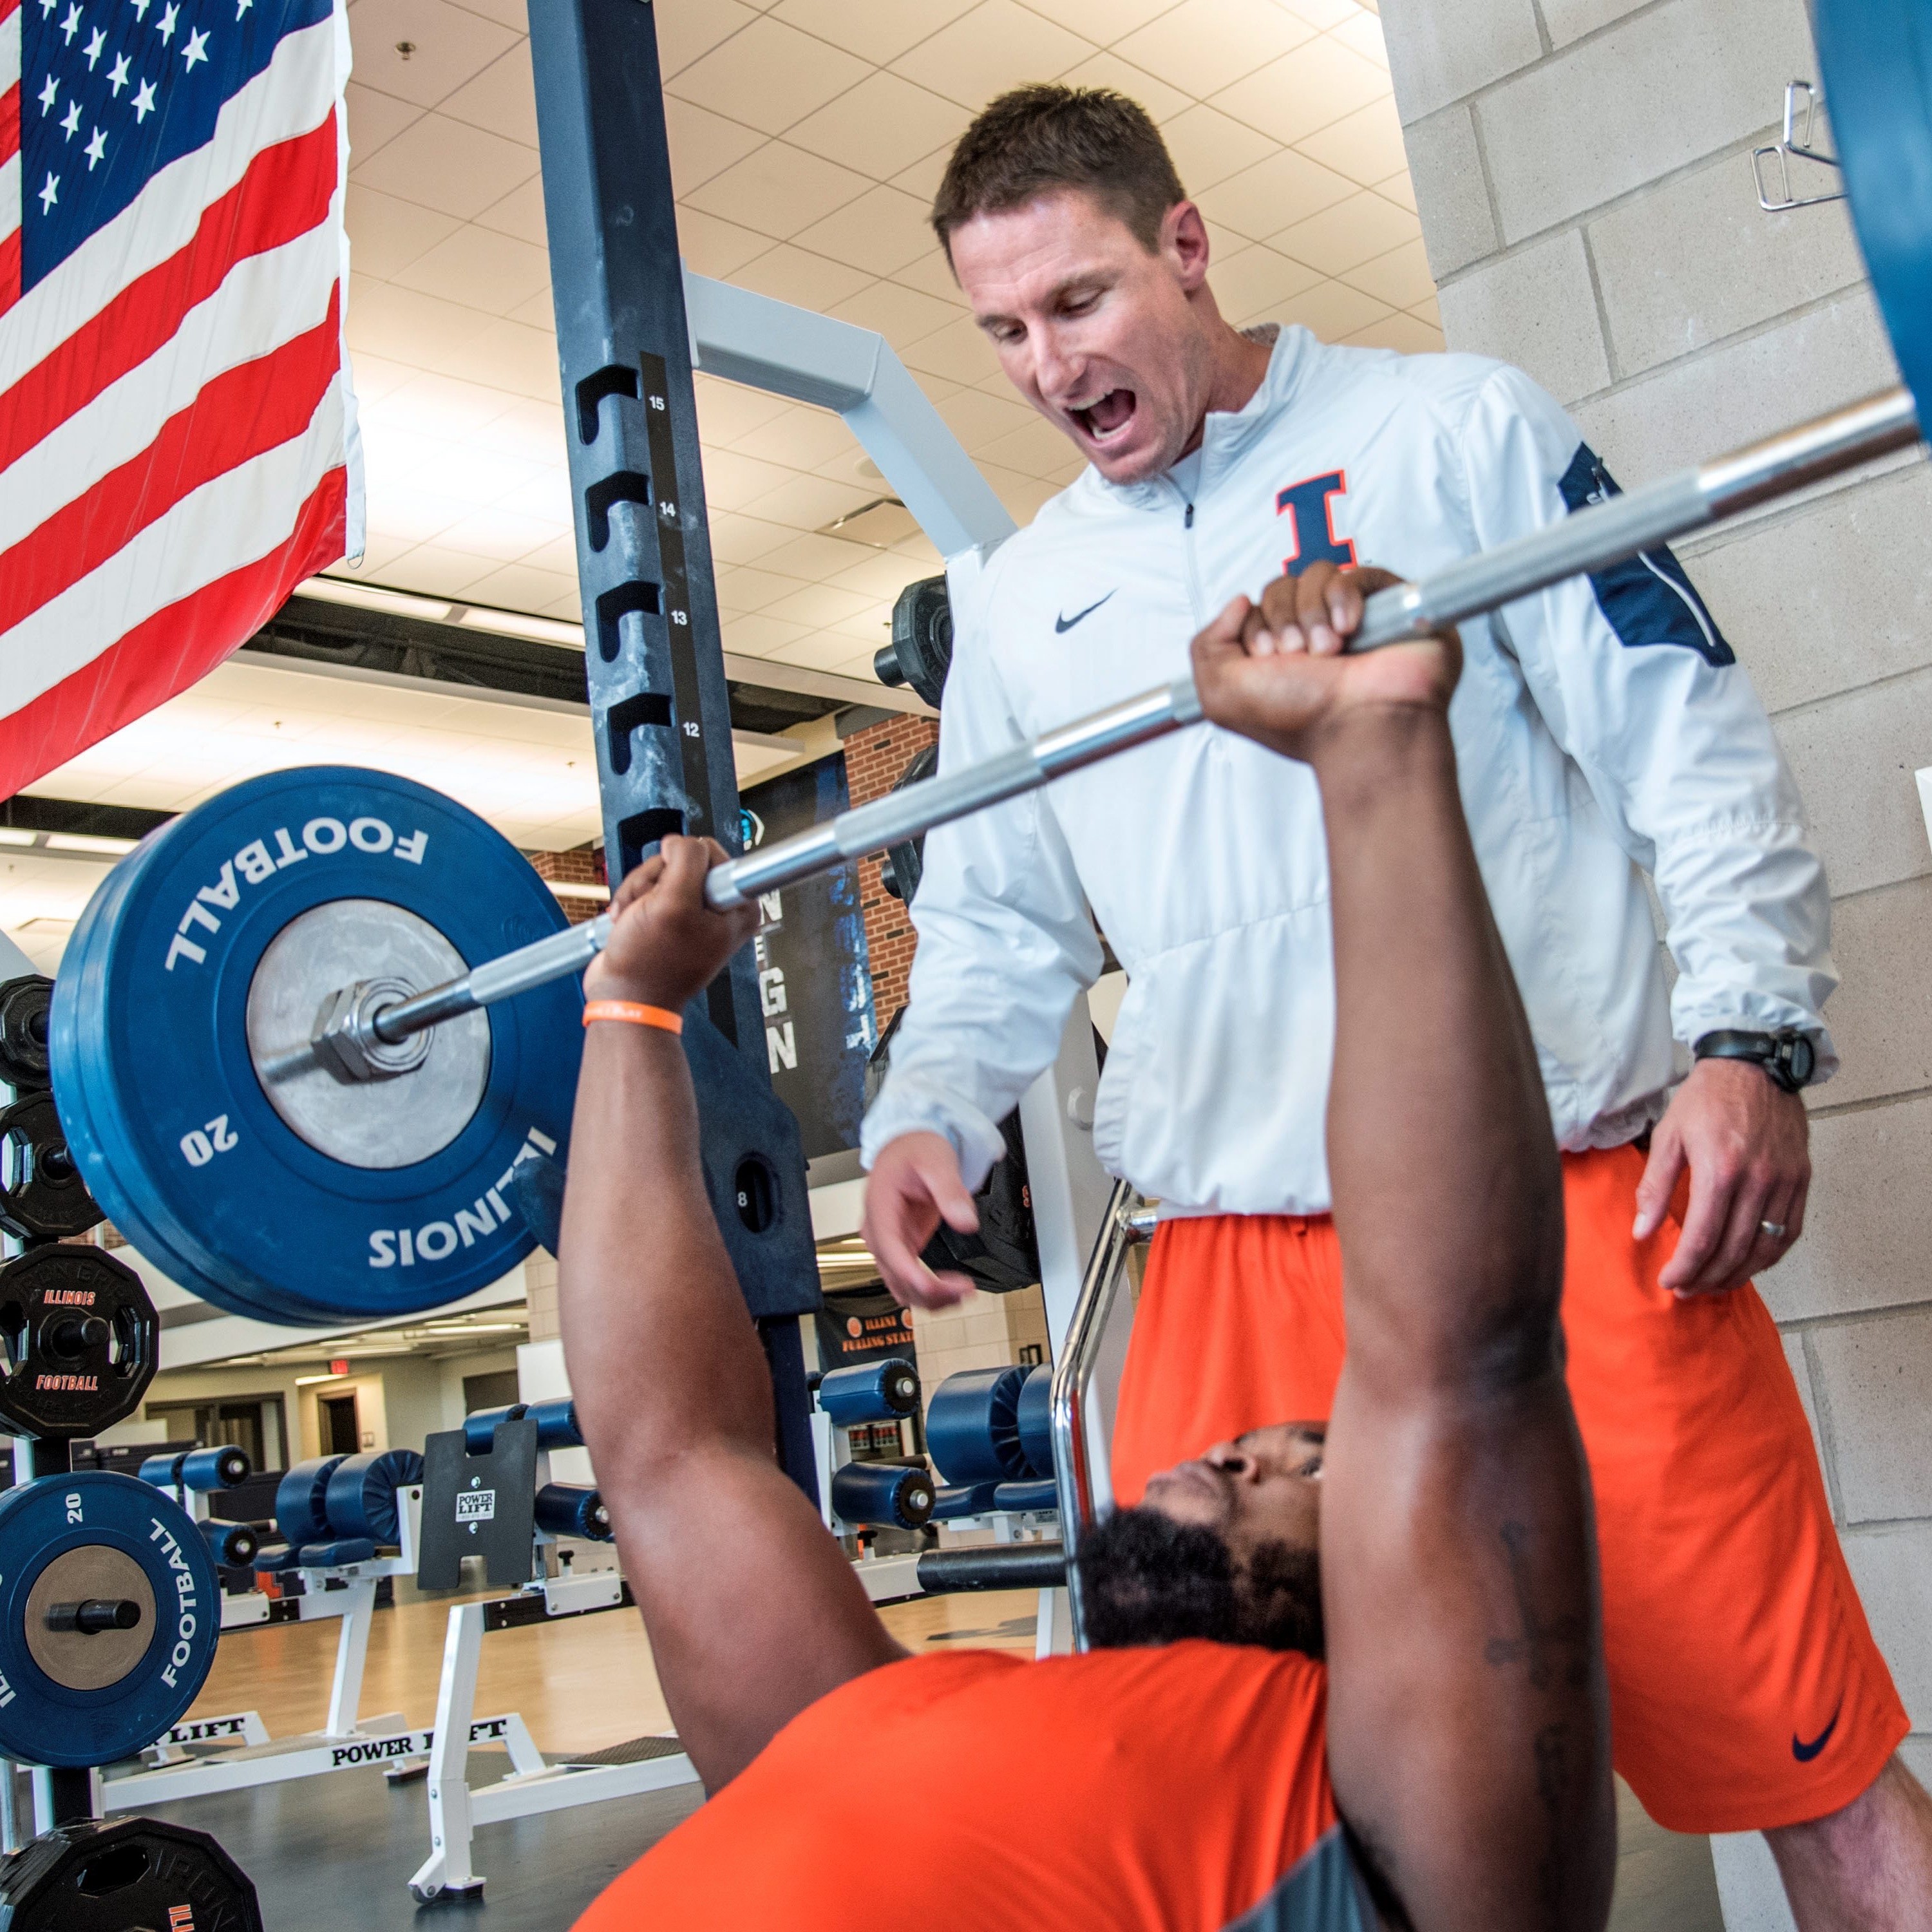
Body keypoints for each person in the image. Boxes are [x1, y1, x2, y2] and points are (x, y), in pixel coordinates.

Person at [858, 86, 1932, 1922]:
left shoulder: (1455, 429)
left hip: (1569, 1226)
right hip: (1229, 1269)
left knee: (1802, 1765)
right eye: (1007, 331)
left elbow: (1685, 734)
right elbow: (991, 921)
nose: (1050, 365)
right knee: (1241, 1811)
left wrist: (1751, 1038)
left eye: (1085, 302)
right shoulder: (1024, 597)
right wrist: (919, 1115)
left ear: (1185, 245)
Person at [564, 599, 1615, 1931]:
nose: (1252, 1451)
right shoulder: (873, 1708)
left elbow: (1463, 1356)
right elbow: (670, 1457)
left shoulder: (1409, 1830)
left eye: (1319, 1462)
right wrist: (631, 1009)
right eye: (1293, 1438)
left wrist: (1382, 759)